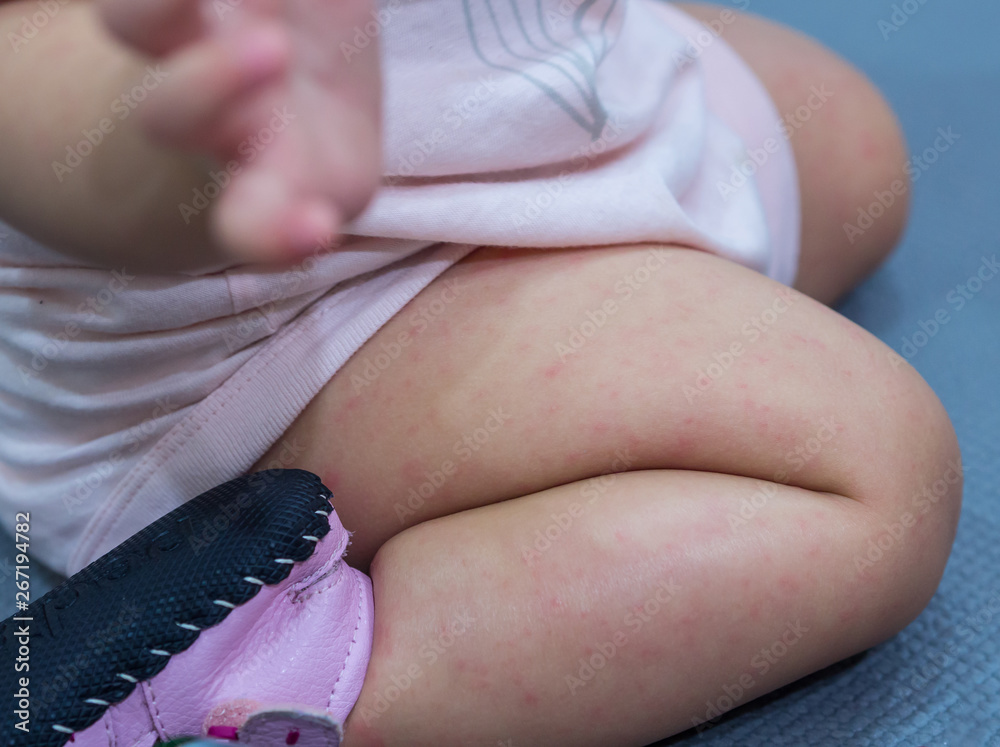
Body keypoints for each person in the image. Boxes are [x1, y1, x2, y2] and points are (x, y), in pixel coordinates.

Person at [0, 0, 962, 743]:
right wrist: (196, 140)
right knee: (871, 472)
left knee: (856, 149)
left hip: (532, 108)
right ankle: (271, 674)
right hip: (274, 326)